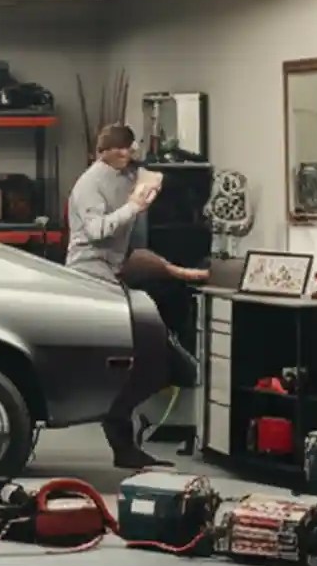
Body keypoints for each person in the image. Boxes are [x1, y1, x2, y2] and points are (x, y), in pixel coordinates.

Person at [66, 123, 210, 469]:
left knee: (159, 363)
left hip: (113, 276)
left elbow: (154, 181)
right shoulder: (90, 184)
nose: (129, 156)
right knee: (136, 360)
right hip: (90, 279)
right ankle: (122, 438)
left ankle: (122, 436)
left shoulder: (125, 175)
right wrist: (133, 206)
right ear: (109, 152)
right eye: (123, 150)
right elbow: (97, 231)